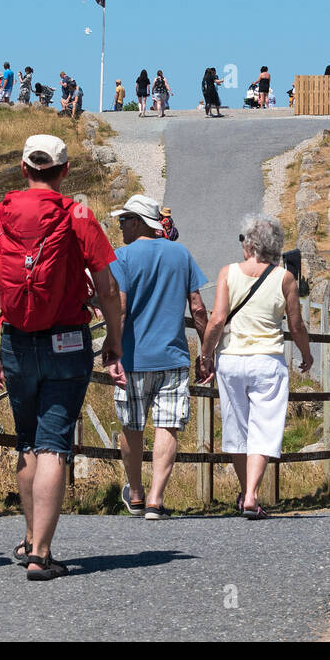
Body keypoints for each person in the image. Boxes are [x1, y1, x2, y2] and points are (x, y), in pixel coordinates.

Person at [0, 134, 126, 580]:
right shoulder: (77, 214)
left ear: (23, 169)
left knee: (26, 443)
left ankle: (28, 538)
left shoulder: (0, 214)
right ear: (63, 171)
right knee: (54, 443)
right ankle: (41, 553)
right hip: (69, 341)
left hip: (16, 341)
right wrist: (113, 342)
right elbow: (108, 289)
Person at [198, 214, 313, 519]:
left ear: (249, 243)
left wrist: (205, 354)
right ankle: (251, 495)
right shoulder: (285, 278)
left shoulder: (228, 272)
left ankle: (245, 491)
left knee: (236, 426)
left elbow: (218, 318)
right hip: (267, 359)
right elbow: (296, 324)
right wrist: (306, 353)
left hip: (232, 359)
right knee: (265, 427)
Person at [108, 195, 208, 520]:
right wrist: (206, 352)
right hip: (173, 356)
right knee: (168, 426)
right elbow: (198, 307)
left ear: (137, 221)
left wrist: (112, 349)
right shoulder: (180, 253)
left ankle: (135, 493)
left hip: (134, 358)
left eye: (124, 220)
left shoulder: (120, 258)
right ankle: (155, 499)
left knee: (131, 426)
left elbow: (119, 309)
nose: (120, 225)